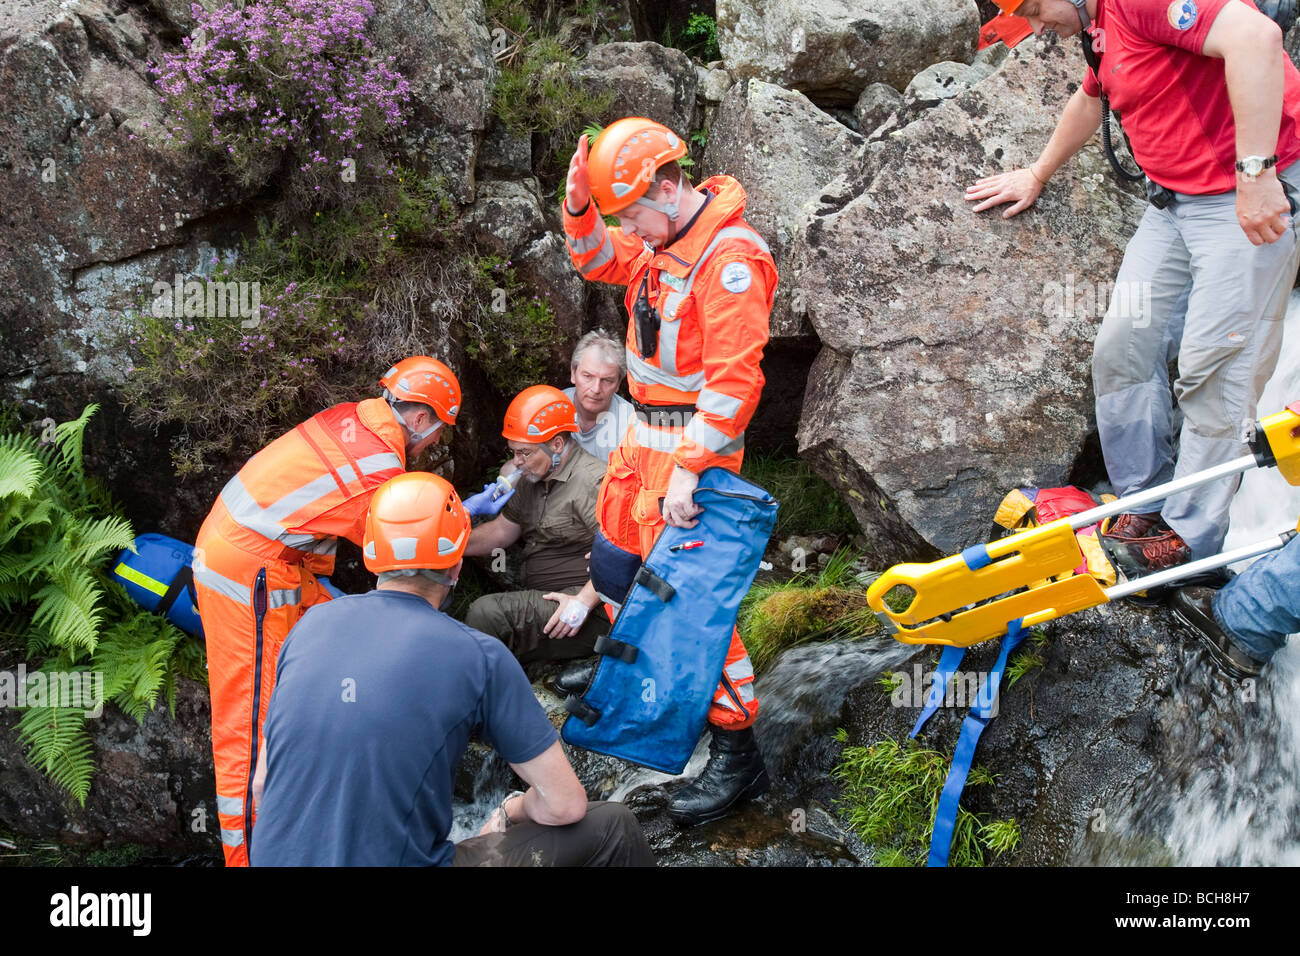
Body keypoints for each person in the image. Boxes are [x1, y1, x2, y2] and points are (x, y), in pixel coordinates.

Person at [966, 0, 1300, 576]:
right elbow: (1094, 94)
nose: (1037, 27)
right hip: (1173, 201)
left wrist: (1257, 175)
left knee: (1215, 367)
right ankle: (1144, 499)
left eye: (1035, 9)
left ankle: (1191, 537)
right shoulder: (1099, 25)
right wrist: (1038, 172)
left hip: (1240, 196)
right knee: (1122, 347)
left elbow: (1257, 38)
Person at [248, 472, 654, 866]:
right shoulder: (479, 656)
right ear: (457, 565)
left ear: (372, 556)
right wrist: (513, 808)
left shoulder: (307, 628)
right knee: (614, 825)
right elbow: (565, 805)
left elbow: (263, 785)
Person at [561, 116, 778, 826]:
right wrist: (580, 207)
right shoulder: (663, 243)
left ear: (667, 185)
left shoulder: (730, 259)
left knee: (692, 605)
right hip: (643, 442)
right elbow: (597, 260)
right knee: (618, 565)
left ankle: (737, 750)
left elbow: (734, 383)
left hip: (691, 454)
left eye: (632, 214)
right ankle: (631, 673)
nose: (632, 229)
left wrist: (691, 469)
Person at [192, 355, 461, 866]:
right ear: (421, 418)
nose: (435, 446)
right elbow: (409, 547)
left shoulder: (352, 417)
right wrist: (468, 523)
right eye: (439, 434)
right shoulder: (379, 467)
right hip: (250, 573)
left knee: (345, 641)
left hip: (267, 558)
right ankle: (245, 858)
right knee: (250, 726)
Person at [460, 385, 611, 665]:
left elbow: (627, 551)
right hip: (544, 595)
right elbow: (502, 532)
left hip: (586, 608)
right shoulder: (533, 476)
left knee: (486, 614)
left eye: (525, 453)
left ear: (556, 445)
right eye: (514, 452)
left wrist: (584, 601)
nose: (517, 463)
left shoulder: (593, 482)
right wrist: (448, 548)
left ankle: (479, 698)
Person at [564, 331, 637, 463]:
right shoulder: (552, 406)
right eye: (588, 376)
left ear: (618, 384)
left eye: (607, 380)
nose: (596, 389)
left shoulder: (631, 425)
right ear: (573, 373)